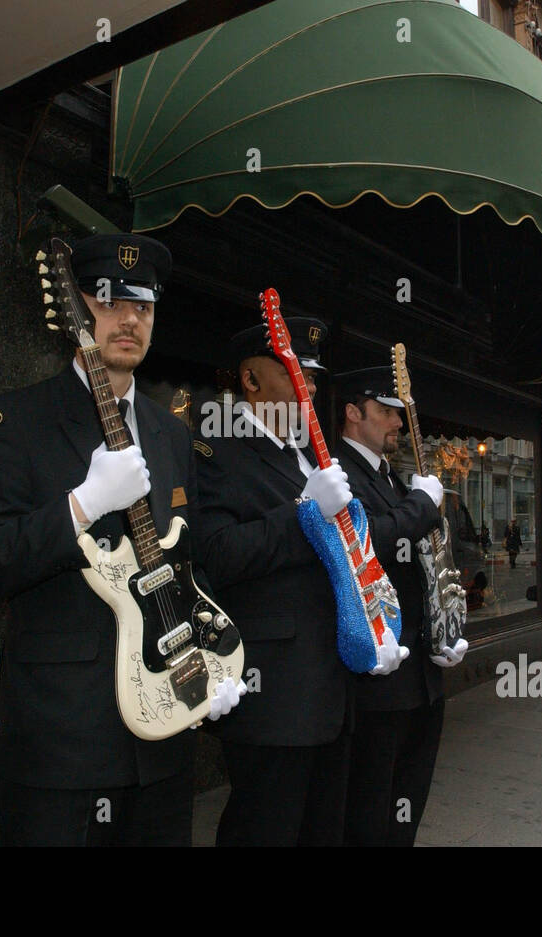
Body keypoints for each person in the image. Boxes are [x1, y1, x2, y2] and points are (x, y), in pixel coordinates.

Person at [0, 233, 241, 846]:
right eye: (109, 302)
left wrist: (218, 654)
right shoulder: (14, 422)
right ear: (75, 312)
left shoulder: (170, 432)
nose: (129, 318)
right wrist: (79, 507)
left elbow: (187, 560)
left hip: (165, 728)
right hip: (59, 740)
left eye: (143, 306)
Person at [193, 319, 396, 846]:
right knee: (266, 829)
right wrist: (303, 512)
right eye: (294, 373)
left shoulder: (304, 453)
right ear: (252, 381)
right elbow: (216, 554)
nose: (307, 388)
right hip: (274, 692)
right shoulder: (217, 451)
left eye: (312, 376)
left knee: (322, 829)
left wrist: (376, 623)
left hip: (330, 689)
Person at [331, 366, 463, 847]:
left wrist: (444, 628)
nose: (398, 424)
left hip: (419, 674)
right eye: (386, 411)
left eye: (399, 413)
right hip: (375, 683)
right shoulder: (337, 473)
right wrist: (421, 507)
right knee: (369, 809)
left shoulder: (394, 479)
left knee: (407, 803)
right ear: (352, 412)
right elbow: (362, 546)